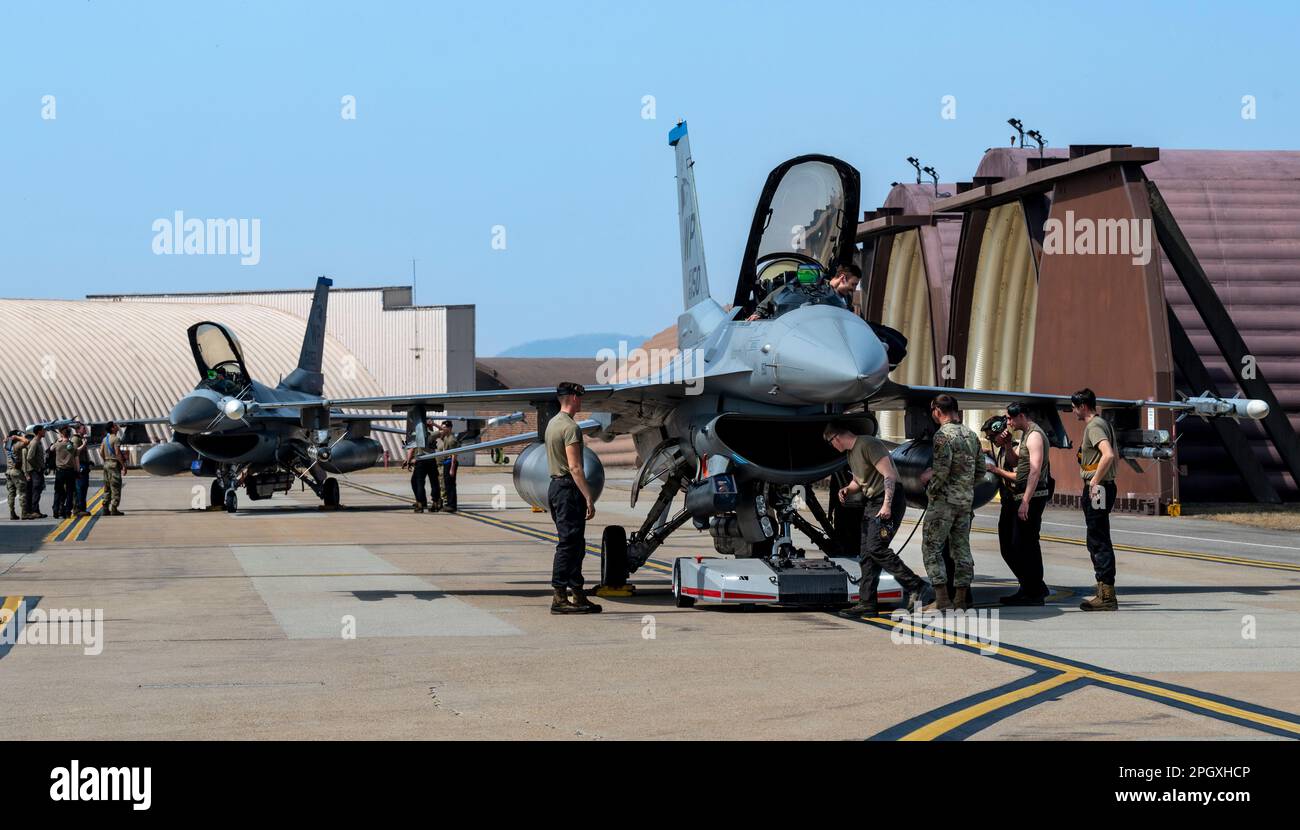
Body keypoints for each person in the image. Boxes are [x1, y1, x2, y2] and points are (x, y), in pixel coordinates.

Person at [824, 423, 929, 617]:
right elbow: (859, 481)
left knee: (876, 548)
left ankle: (916, 585)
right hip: (873, 501)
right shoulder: (850, 453)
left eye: (831, 443)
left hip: (888, 498)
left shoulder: (868, 444)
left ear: (836, 438)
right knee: (866, 553)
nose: (833, 447)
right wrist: (848, 489)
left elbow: (888, 475)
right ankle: (867, 603)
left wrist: (887, 505)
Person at [918, 395, 981, 611]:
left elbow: (942, 470)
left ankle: (942, 599)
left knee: (931, 547)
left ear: (937, 410)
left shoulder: (942, 436)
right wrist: (965, 486)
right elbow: (981, 469)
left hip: (944, 503)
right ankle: (961, 599)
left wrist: (930, 488)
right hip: (965, 502)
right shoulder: (971, 435)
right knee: (961, 549)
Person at [988, 405, 1052, 605]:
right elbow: (1017, 462)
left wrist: (1025, 501)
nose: (1008, 422)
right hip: (1022, 497)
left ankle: (1034, 591)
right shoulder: (1025, 435)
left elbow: (1034, 471)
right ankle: (1031, 587)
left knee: (1026, 544)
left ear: (1021, 416)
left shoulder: (1034, 436)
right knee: (1014, 545)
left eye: (1010, 418)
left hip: (1032, 496)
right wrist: (1007, 445)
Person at [545, 382, 600, 614]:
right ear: (573, 398)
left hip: (557, 488)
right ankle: (559, 596)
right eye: (580, 397)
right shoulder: (570, 428)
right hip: (568, 490)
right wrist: (589, 497)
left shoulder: (552, 423)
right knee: (569, 545)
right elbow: (575, 467)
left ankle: (577, 593)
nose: (581, 401)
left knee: (576, 544)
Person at [1072, 388, 1119, 611]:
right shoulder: (1103, 423)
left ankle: (1107, 595)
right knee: (1096, 537)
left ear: (1083, 406)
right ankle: (1103, 589)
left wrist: (1094, 482)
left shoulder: (1094, 426)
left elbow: (1108, 454)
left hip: (1098, 489)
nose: (1073, 411)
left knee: (1098, 539)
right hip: (1103, 487)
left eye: (1074, 407)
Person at [402, 417, 441, 513]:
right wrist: (434, 424)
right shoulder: (432, 434)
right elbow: (444, 430)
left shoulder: (416, 434)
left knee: (420, 483)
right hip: (431, 459)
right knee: (434, 482)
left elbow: (411, 449)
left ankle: (420, 504)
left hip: (421, 460)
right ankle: (436, 502)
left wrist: (408, 460)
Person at [99, 422, 127, 516]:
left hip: (106, 464)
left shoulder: (104, 439)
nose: (117, 426)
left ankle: (105, 508)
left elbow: (101, 452)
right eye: (115, 426)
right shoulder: (116, 439)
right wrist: (123, 465)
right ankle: (114, 508)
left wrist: (106, 460)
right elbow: (118, 453)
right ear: (112, 428)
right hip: (114, 465)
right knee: (115, 487)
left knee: (107, 487)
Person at [52, 426, 80, 519]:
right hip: (70, 471)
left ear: (61, 434)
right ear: (69, 434)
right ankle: (68, 511)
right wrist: (77, 471)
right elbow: (76, 460)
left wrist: (58, 440)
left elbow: (51, 449)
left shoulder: (57, 444)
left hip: (59, 471)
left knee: (58, 491)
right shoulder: (72, 445)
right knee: (69, 492)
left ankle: (56, 510)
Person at [22, 425, 48, 519]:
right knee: (36, 490)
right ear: (39, 432)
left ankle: (35, 510)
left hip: (37, 471)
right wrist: (37, 467)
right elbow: (29, 457)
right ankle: (34, 511)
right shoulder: (34, 442)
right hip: (35, 471)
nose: (45, 432)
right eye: (43, 430)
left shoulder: (38, 442)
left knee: (37, 490)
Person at [435, 420, 460, 513]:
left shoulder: (452, 439)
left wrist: (452, 469)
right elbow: (440, 430)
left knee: (450, 485)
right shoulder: (446, 436)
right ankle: (449, 504)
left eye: (444, 428)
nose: (442, 429)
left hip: (450, 462)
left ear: (449, 428)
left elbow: (454, 454)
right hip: (446, 462)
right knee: (447, 485)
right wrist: (433, 424)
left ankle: (452, 505)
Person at [5, 429, 30, 521]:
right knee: (22, 492)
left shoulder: (7, 445)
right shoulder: (17, 445)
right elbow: (27, 441)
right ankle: (24, 513)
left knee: (11, 493)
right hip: (16, 471)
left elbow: (5, 441)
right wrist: (17, 437)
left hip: (8, 471)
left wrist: (9, 438)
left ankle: (12, 513)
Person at [73, 424, 92, 517]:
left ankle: (82, 508)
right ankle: (78, 509)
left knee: (84, 487)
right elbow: (75, 452)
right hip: (80, 466)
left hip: (84, 465)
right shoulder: (76, 439)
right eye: (83, 428)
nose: (85, 430)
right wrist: (83, 445)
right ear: (78, 430)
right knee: (80, 488)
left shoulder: (81, 439)